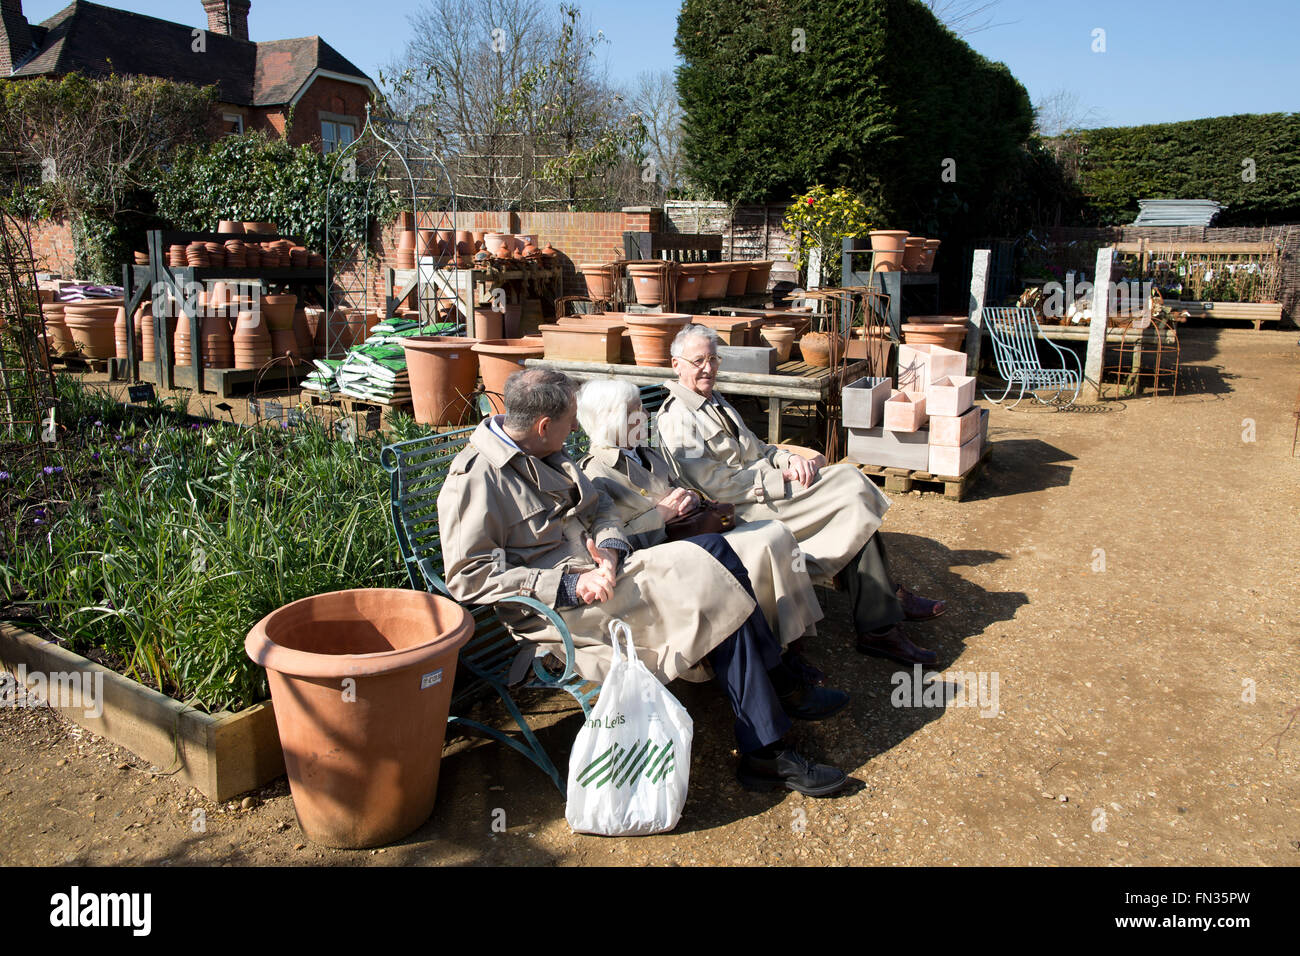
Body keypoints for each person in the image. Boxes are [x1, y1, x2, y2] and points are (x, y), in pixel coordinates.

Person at [436, 367, 852, 795]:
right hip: (559, 611)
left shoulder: (545, 450)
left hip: (609, 578)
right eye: (569, 421)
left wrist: (610, 550)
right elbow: (469, 577)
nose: (576, 428)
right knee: (711, 574)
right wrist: (568, 586)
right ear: (544, 426)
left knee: (715, 552)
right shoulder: (475, 479)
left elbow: (601, 512)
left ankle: (773, 704)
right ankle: (767, 741)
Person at [655, 324, 948, 668]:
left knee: (849, 494)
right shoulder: (678, 419)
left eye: (714, 358)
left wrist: (789, 458)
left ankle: (883, 618)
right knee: (849, 486)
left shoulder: (713, 400)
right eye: (698, 360)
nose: (709, 367)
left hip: (764, 494)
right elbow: (716, 486)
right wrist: (780, 478)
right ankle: (884, 613)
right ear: (677, 365)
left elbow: (759, 449)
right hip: (743, 511)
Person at [574, 378, 824, 654]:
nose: (646, 415)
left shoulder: (644, 452)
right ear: (616, 420)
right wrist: (660, 515)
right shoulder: (595, 473)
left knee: (776, 534)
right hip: (667, 552)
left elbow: (682, 484)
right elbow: (611, 541)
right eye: (637, 410)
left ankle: (791, 640)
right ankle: (784, 649)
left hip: (694, 532)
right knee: (767, 541)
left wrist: (692, 495)